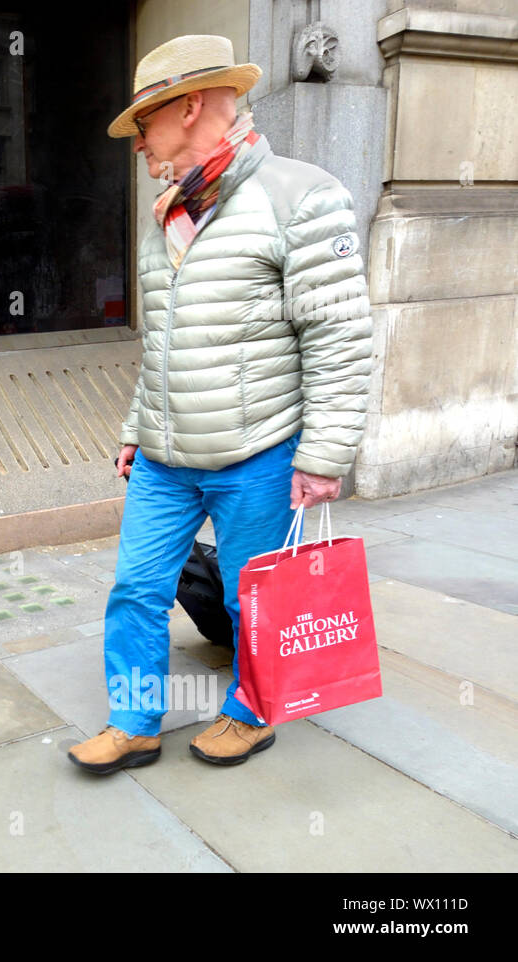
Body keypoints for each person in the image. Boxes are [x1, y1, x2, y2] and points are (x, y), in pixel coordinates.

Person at [68, 35, 372, 773]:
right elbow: (164, 345)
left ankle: (252, 712)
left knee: (253, 603)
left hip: (257, 455)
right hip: (167, 461)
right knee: (136, 589)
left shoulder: (302, 195)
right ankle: (135, 721)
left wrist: (325, 457)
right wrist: (138, 428)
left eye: (145, 123)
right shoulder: (164, 216)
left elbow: (340, 337)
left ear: (191, 105)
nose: (138, 142)